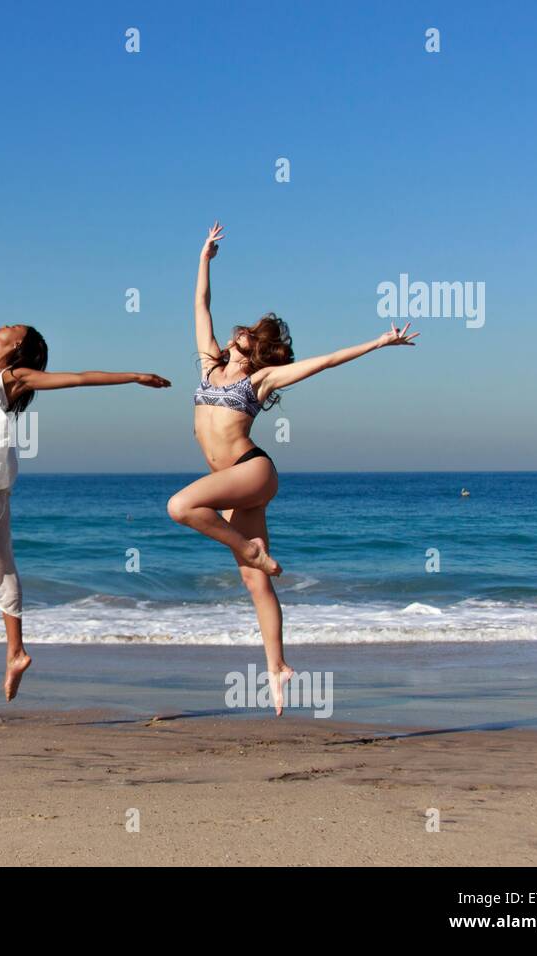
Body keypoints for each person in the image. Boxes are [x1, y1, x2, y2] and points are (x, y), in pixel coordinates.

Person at [0, 202, 171, 700]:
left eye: (12, 329)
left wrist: (134, 376)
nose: (3, 327)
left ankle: (14, 645)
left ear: (18, 348)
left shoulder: (12, 376)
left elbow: (78, 378)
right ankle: (15, 652)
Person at [166, 221, 419, 714]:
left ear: (251, 347)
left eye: (243, 334)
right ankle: (278, 668)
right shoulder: (207, 366)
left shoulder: (261, 380)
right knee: (254, 581)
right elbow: (200, 307)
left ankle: (249, 549)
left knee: (181, 506)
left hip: (252, 470)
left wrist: (378, 343)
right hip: (240, 486)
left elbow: (323, 363)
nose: (234, 332)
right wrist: (204, 258)